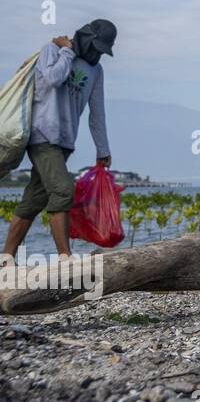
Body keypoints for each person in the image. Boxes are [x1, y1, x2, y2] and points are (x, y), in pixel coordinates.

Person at [2, 19, 116, 262]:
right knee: (63, 189)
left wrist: (102, 149)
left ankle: (5, 259)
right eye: (95, 48)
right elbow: (54, 78)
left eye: (102, 52)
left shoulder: (96, 71)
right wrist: (67, 50)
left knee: (34, 199)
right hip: (41, 136)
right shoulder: (52, 50)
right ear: (86, 37)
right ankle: (65, 257)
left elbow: (97, 111)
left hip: (65, 143)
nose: (97, 54)